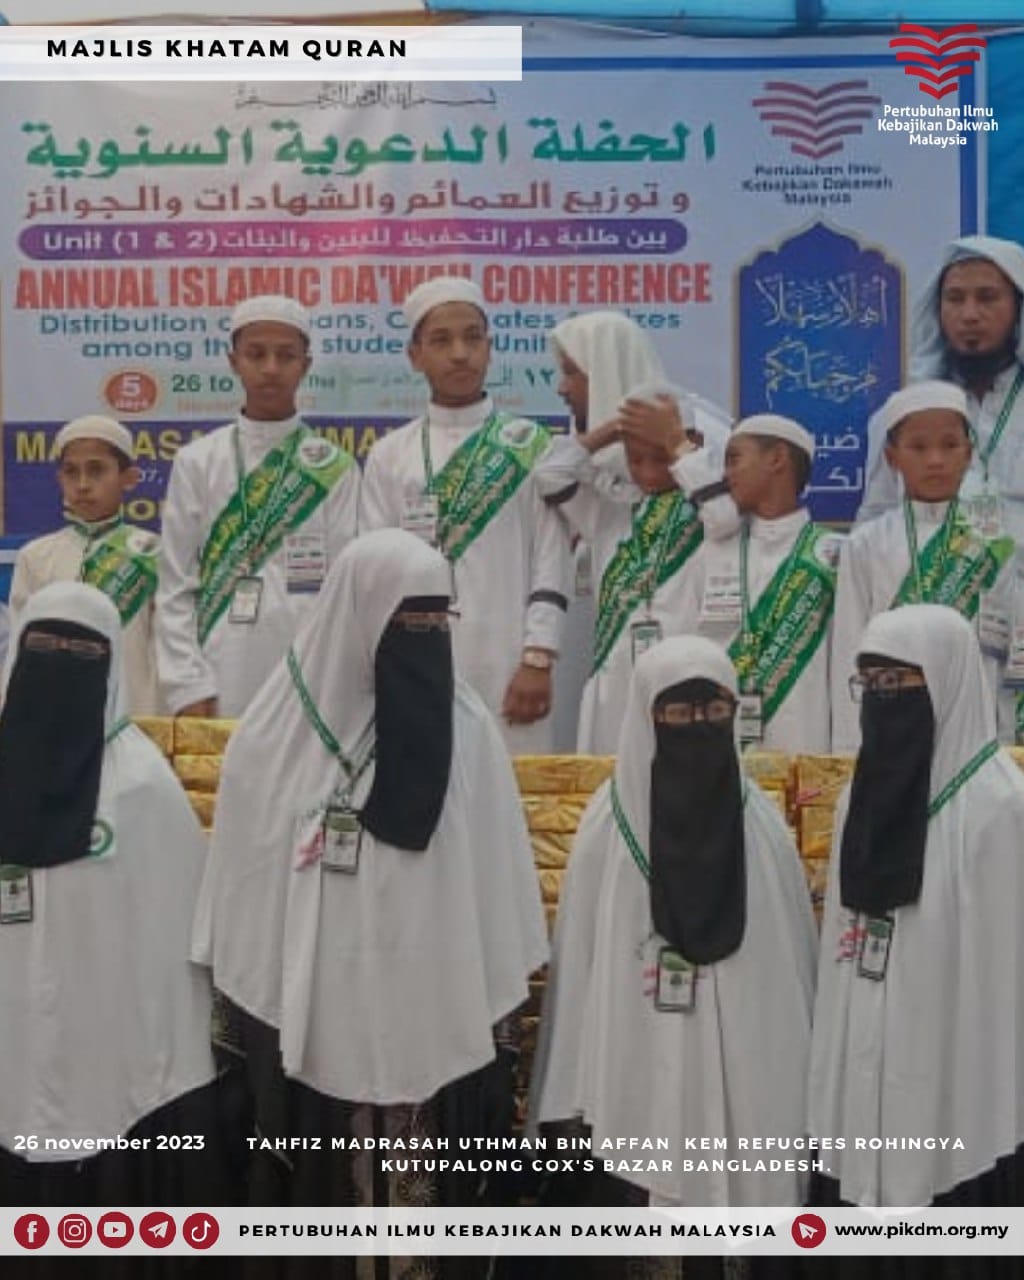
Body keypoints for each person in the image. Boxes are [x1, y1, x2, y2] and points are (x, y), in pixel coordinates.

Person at [193, 530, 548, 1240]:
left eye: (437, 619)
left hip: (438, 1018)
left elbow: (499, 893)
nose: (425, 636)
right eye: (407, 620)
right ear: (357, 616)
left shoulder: (470, 733)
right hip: (305, 1034)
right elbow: (245, 898)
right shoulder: (271, 739)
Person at [529, 636, 817, 1217]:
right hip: (635, 1045)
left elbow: (793, 976)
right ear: (647, 716)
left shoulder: (761, 828)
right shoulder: (609, 829)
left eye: (714, 710)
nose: (698, 725)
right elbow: (581, 968)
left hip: (748, 1068)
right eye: (680, 713)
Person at [808, 606, 1024, 1275]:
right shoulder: (860, 795)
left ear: (948, 680)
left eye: (899, 681)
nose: (883, 698)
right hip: (868, 1033)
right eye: (870, 682)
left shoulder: (999, 805)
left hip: (957, 1065)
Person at [0, 583, 223, 1227]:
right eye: (46, 645)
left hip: (121, 1074)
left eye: (82, 650)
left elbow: (180, 941)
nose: (62, 661)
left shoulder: (143, 787)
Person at [359, 277, 570, 753]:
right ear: (415, 356)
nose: (460, 354)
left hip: (509, 663)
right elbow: (373, 576)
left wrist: (538, 657)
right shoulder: (391, 455)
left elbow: (551, 560)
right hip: (413, 664)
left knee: (513, 790)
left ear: (489, 349)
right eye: (441, 340)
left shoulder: (531, 446)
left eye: (472, 338)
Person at [537, 311, 734, 753]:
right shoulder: (613, 496)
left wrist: (674, 443)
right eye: (636, 459)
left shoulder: (705, 446)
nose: (562, 388)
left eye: (572, 372)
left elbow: (724, 515)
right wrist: (614, 427)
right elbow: (550, 475)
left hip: (688, 672)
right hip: (615, 673)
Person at [157, 294, 359, 719]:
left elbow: (345, 590)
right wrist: (187, 683)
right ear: (234, 362)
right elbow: (175, 586)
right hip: (216, 672)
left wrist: (331, 679)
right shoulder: (197, 461)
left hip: (309, 671)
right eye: (256, 354)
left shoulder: (335, 468)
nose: (270, 368)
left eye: (286, 356)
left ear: (305, 365)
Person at [833, 382, 1015, 751]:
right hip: (890, 729)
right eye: (918, 447)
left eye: (949, 445)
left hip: (977, 727)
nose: (935, 460)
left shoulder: (995, 542)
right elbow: (849, 651)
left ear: (968, 453)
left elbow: (1008, 649)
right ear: (892, 457)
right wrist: (850, 751)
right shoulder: (866, 543)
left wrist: (1008, 736)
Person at [675, 415, 841, 752]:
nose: (726, 475)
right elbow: (686, 651)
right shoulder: (710, 552)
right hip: (718, 743)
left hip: (807, 741)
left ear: (777, 458)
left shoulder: (833, 554)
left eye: (734, 459)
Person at [859, 235, 1024, 539]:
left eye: (987, 298)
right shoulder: (903, 412)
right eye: (955, 299)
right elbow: (873, 524)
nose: (970, 315)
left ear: (1018, 308)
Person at [8, 413, 161, 715]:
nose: (82, 484)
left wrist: (159, 722)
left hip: (132, 715)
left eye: (96, 470)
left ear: (129, 478)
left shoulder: (154, 553)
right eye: (71, 472)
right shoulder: (35, 557)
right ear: (59, 479)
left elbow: (165, 653)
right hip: (52, 717)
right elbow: (19, 648)